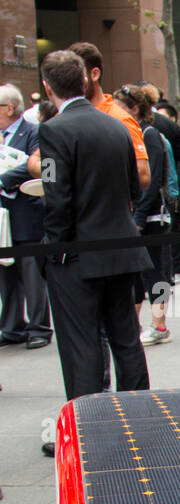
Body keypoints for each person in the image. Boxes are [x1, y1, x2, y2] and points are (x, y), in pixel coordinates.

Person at [37, 49, 152, 455]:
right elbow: (136, 189)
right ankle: (139, 417)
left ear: (48, 87)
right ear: (85, 82)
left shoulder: (53, 131)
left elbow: (56, 197)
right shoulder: (117, 125)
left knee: (81, 343)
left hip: (79, 255)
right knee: (126, 338)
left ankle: (87, 428)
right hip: (121, 246)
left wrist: (56, 249)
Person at [113, 85, 172, 347]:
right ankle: (135, 324)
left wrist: (138, 218)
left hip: (151, 217)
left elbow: (152, 179)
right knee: (137, 274)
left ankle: (159, 324)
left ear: (134, 109)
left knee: (154, 273)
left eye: (120, 108)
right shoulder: (132, 133)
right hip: (137, 215)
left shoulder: (149, 135)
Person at [0, 83, 49, 349]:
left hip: (27, 213)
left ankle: (38, 327)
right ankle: (11, 326)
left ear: (9, 108)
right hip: (2, 216)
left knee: (31, 272)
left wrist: (3, 179)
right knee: (5, 272)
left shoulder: (34, 132)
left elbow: (38, 165)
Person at [66, 42, 149, 192]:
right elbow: (43, 161)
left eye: (77, 76)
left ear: (94, 74)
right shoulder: (57, 121)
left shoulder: (120, 119)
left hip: (107, 211)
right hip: (66, 212)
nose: (71, 83)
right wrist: (52, 179)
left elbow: (142, 176)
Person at [141, 85, 180, 284]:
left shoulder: (141, 127)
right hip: (169, 188)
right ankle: (171, 274)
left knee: (154, 236)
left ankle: (156, 280)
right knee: (170, 232)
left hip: (152, 189)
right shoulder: (169, 125)